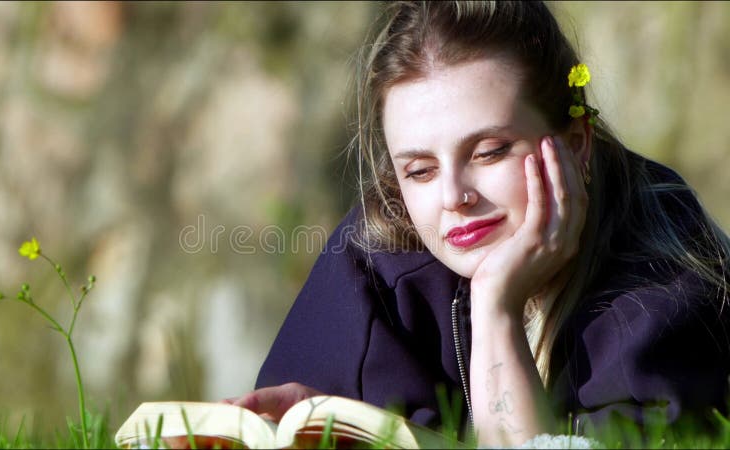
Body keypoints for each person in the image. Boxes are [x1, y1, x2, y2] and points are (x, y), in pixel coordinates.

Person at [225, 1, 730, 446]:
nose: (453, 198)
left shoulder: (663, 271)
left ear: (576, 143)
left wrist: (496, 305)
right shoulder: (379, 254)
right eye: (419, 170)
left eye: (489, 152)